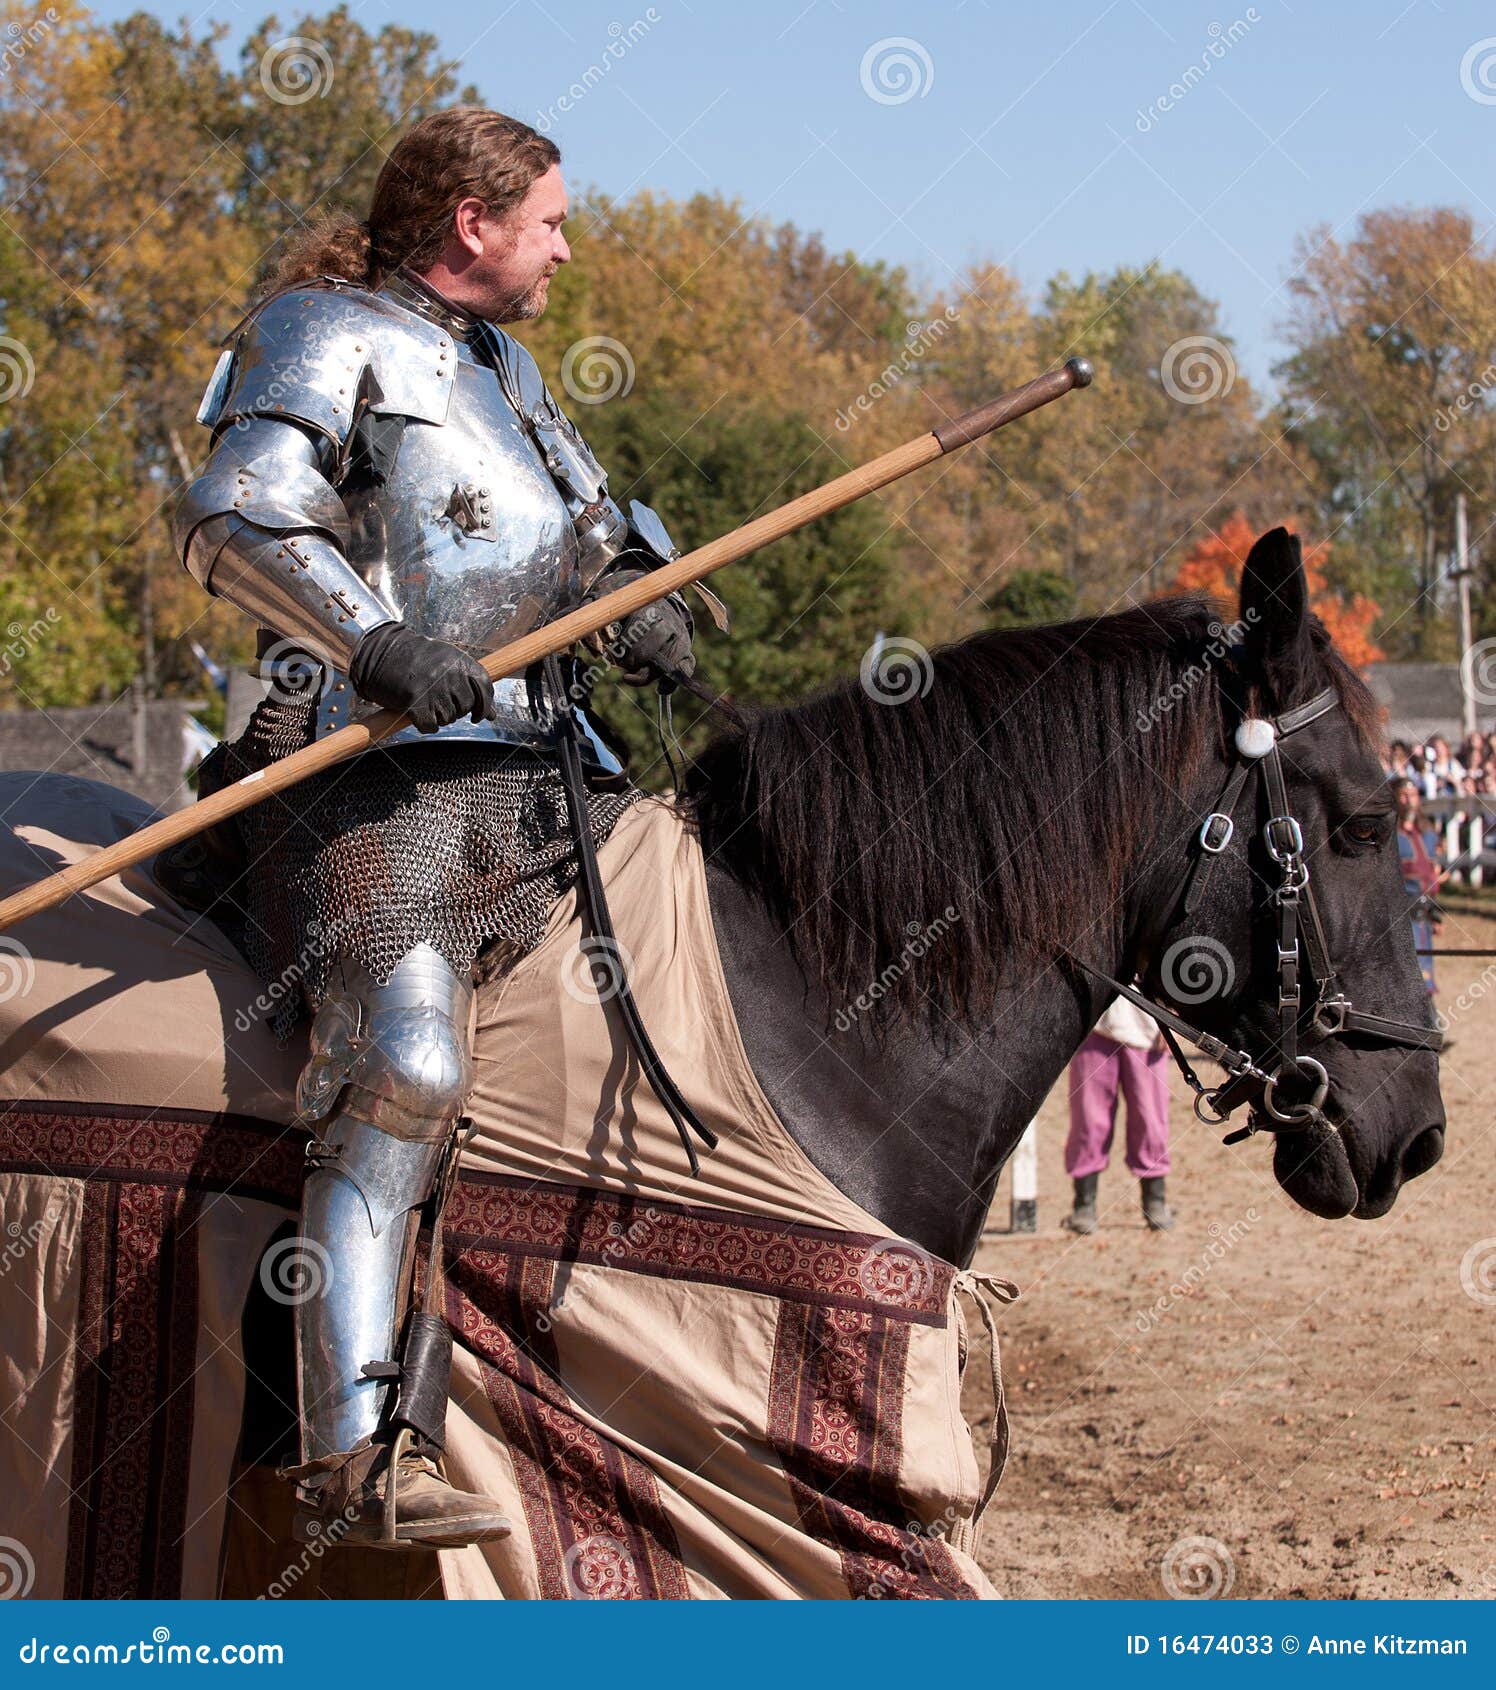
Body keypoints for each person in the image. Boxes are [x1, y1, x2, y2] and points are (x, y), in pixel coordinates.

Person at [168, 108, 702, 1549]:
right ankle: (350, 1452)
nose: (565, 245)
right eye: (550, 221)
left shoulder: (507, 368)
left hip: (546, 766)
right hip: (368, 766)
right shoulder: (318, 330)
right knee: (405, 1058)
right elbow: (231, 512)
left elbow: (586, 531)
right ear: (472, 222)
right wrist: (375, 642)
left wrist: (644, 603)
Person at [1061, 996, 1173, 1234]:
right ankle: (1084, 1204)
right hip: (1094, 1027)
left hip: (1148, 1030)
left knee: (1150, 1119)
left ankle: (1155, 1200)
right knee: (1088, 1119)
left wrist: (1172, 1017)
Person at [1395, 777, 1444, 996]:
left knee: (1426, 978)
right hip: (1401, 916)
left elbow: (1431, 877)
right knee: (1408, 979)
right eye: (1403, 795)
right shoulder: (1391, 836)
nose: (1409, 800)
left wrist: (1436, 914)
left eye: (1413, 795)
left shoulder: (1427, 834)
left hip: (1423, 916)